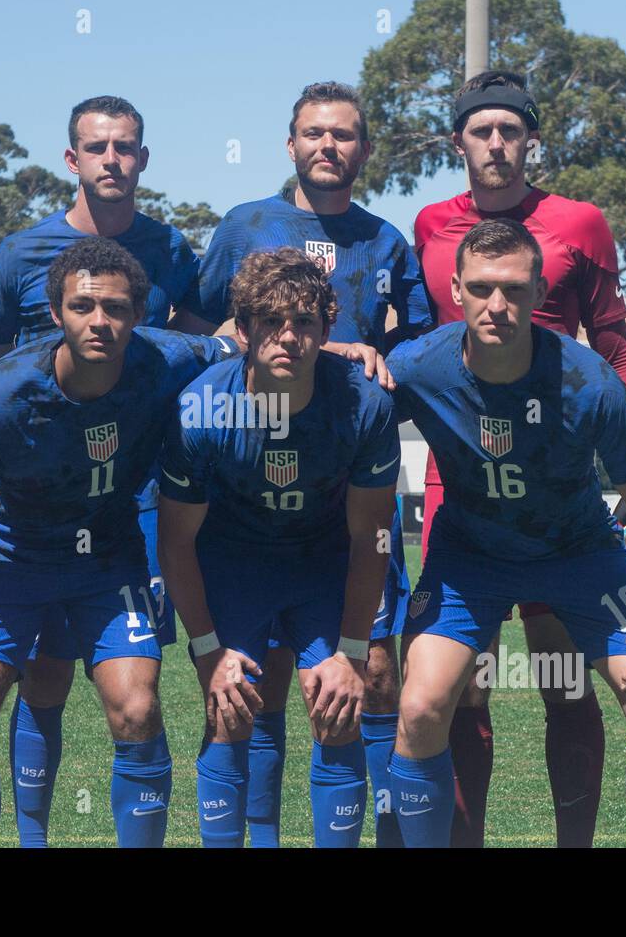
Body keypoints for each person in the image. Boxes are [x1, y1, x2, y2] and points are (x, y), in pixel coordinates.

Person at [385, 218, 626, 848]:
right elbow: (342, 403)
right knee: (419, 708)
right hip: (470, 558)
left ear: (541, 290)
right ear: (457, 288)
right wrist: (343, 352)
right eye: (482, 288)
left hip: (577, 554)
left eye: (515, 289)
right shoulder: (419, 366)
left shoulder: (589, 383)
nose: (497, 305)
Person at [0, 236, 237, 848]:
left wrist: (348, 349)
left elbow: (253, 341)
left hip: (108, 561)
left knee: (139, 709)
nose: (100, 321)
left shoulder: (169, 357)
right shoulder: (2, 396)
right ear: (55, 310)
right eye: (83, 306)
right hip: (10, 554)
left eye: (117, 308)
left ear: (139, 314)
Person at [0, 95, 224, 847]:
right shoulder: (21, 254)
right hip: (27, 507)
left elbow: (209, 350)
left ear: (143, 159)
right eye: (97, 146)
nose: (112, 159)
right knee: (44, 674)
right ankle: (34, 837)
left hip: (130, 506)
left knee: (134, 695)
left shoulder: (172, 250)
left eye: (126, 147)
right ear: (71, 160)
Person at [413, 70, 626, 847]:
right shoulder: (428, 224)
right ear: (459, 142)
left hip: (556, 491)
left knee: (561, 675)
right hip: (460, 487)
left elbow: (615, 348)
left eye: (509, 130)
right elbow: (419, 353)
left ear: (529, 138)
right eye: (480, 131)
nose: (495, 143)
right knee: (459, 687)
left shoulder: (580, 222)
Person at [196, 81, 432, 847]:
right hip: (256, 468)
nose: (328, 145)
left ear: (364, 148)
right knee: (255, 685)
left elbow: (413, 352)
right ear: (290, 144)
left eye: (344, 134)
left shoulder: (388, 240)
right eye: (313, 133)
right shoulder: (245, 225)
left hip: (349, 469)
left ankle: (389, 835)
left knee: (372, 675)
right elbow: (205, 328)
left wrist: (373, 357)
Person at [158, 248, 399, 847]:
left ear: (326, 328)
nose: (288, 337)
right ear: (242, 330)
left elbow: (371, 538)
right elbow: (177, 541)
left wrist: (350, 649)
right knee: (231, 711)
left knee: (340, 712)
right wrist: (209, 650)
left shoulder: (364, 403)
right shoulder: (200, 410)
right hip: (234, 562)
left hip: (324, 562)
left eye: (305, 322)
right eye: (270, 321)